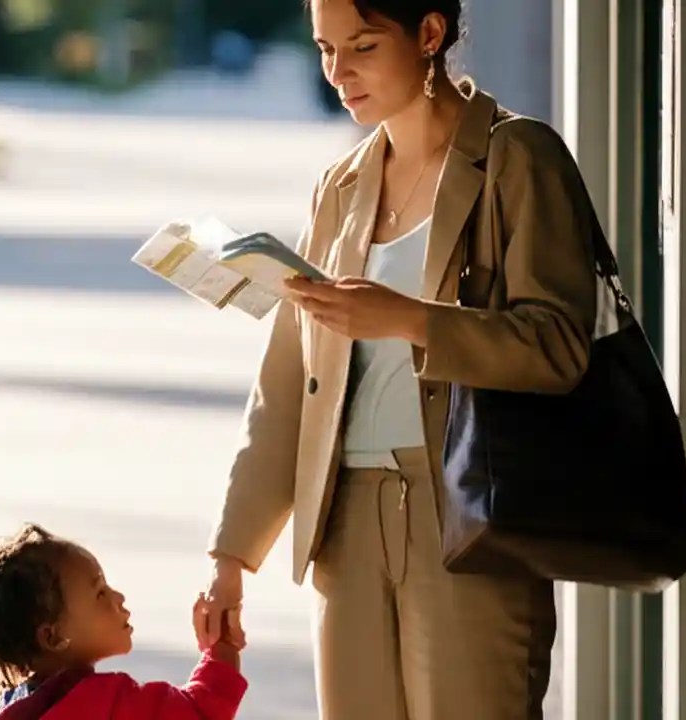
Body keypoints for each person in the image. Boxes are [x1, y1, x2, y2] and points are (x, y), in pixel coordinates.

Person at [202, 0, 602, 718]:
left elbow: (558, 344)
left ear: (428, 34)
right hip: (346, 524)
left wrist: (410, 321)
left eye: (360, 46)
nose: (338, 72)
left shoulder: (519, 157)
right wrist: (230, 561)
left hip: (468, 516)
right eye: (325, 49)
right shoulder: (342, 185)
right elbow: (289, 382)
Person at [0, 524, 248, 720]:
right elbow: (201, 713)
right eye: (99, 593)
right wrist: (222, 644)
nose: (118, 598)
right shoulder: (107, 704)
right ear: (53, 637)